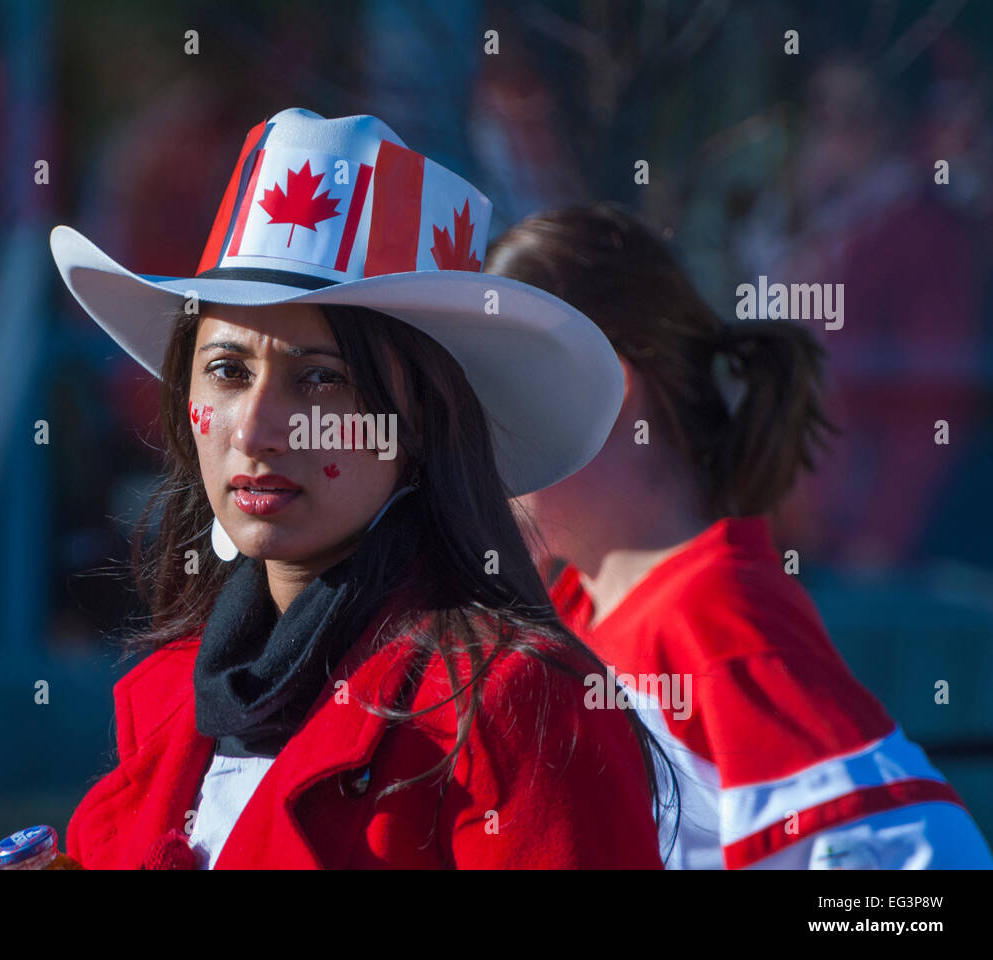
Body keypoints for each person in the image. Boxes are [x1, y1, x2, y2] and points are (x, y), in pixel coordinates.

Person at [49, 108, 669, 868]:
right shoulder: (169, 702)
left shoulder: (517, 705)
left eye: (319, 379)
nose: (254, 430)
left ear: (418, 424)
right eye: (227, 371)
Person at [486, 202, 993, 869]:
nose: (470, 442)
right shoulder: (578, 607)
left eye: (492, 393)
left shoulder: (715, 624)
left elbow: (928, 875)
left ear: (605, 390)